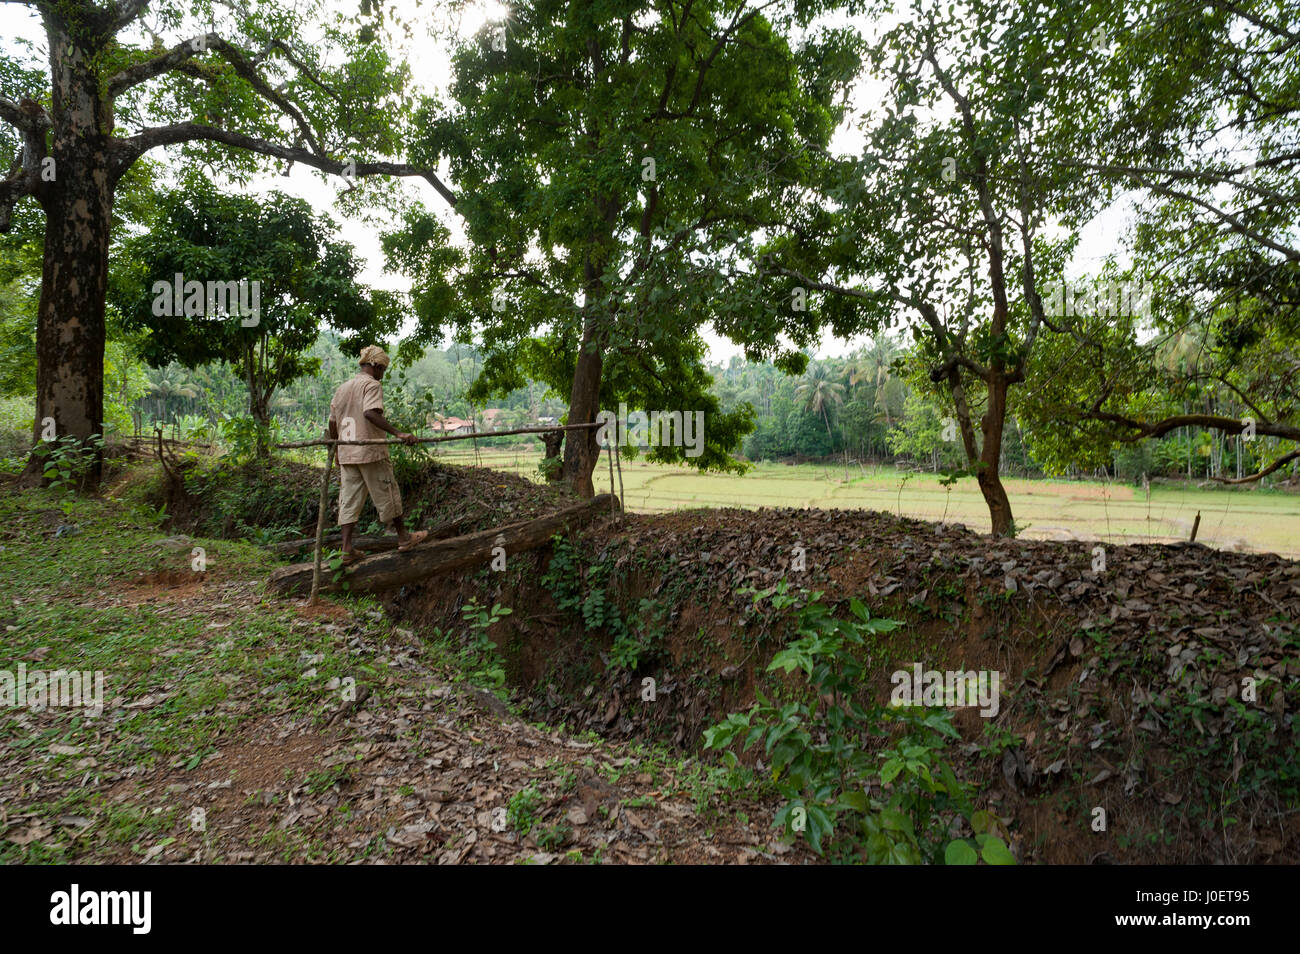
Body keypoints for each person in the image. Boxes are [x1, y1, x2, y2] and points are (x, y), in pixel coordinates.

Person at [327, 346, 428, 563]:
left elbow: (332, 423)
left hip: (348, 454)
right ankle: (403, 538)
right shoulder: (372, 385)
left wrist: (336, 448)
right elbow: (369, 412)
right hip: (370, 451)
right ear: (376, 366)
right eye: (382, 370)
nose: (382, 375)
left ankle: (346, 549)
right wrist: (399, 433)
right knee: (388, 493)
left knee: (349, 500)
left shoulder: (342, 389)